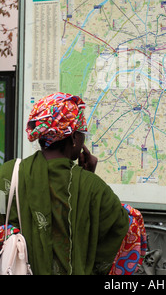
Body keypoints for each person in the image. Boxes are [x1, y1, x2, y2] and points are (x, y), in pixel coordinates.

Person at [0, 92, 129, 275]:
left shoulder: (8, 174)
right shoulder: (93, 186)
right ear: (74, 138)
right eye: (81, 133)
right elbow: (119, 224)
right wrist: (87, 178)